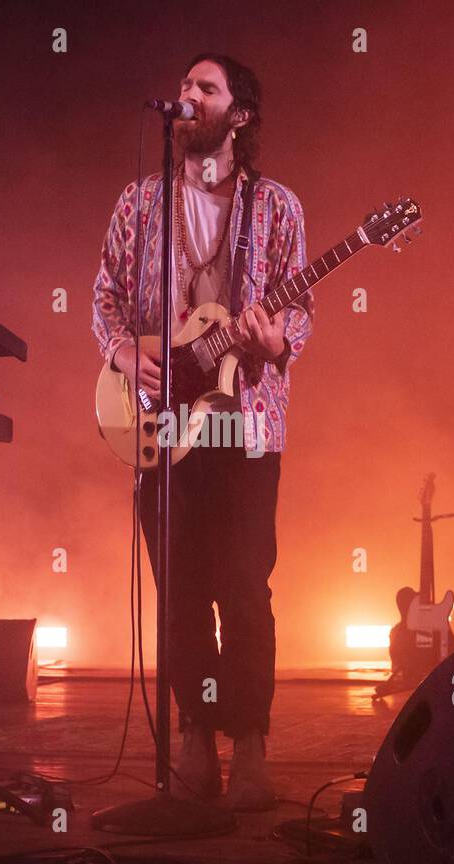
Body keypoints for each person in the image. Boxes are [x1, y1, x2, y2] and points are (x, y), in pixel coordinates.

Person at [90, 53, 313, 811]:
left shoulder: (277, 208)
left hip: (244, 427)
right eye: (184, 87)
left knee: (244, 587)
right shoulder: (140, 202)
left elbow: (299, 316)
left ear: (237, 114)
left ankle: (249, 744)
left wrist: (275, 341)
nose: (187, 96)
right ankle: (194, 741)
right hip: (163, 423)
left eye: (204, 88)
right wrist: (126, 354)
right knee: (179, 590)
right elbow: (105, 299)